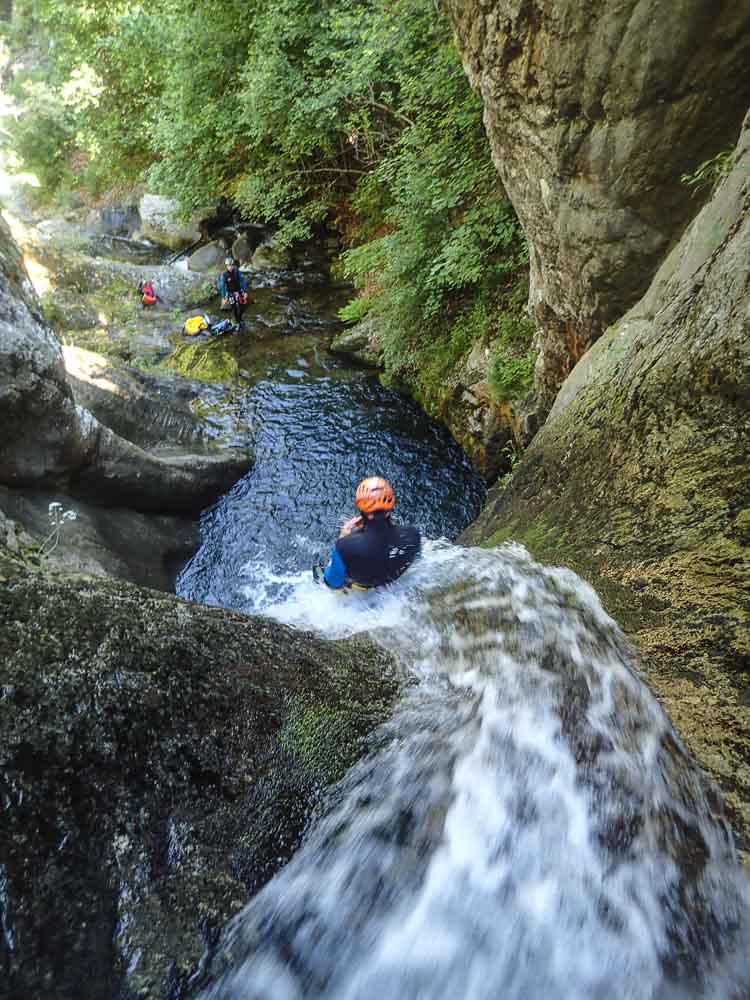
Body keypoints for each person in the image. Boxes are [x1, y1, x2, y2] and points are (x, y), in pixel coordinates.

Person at [322, 477, 420, 591]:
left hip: (360, 591)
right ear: (390, 506)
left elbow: (332, 583)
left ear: (362, 510)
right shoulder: (412, 534)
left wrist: (342, 537)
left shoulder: (345, 546)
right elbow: (415, 559)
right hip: (393, 586)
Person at [219, 256, 249, 328]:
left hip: (239, 291)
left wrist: (245, 291)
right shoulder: (224, 275)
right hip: (231, 293)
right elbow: (222, 286)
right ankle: (237, 320)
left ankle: (239, 317)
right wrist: (223, 297)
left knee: (243, 306)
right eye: (229, 266)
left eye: (231, 265)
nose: (230, 267)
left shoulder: (237, 271)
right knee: (234, 307)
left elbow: (242, 281)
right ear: (226, 266)